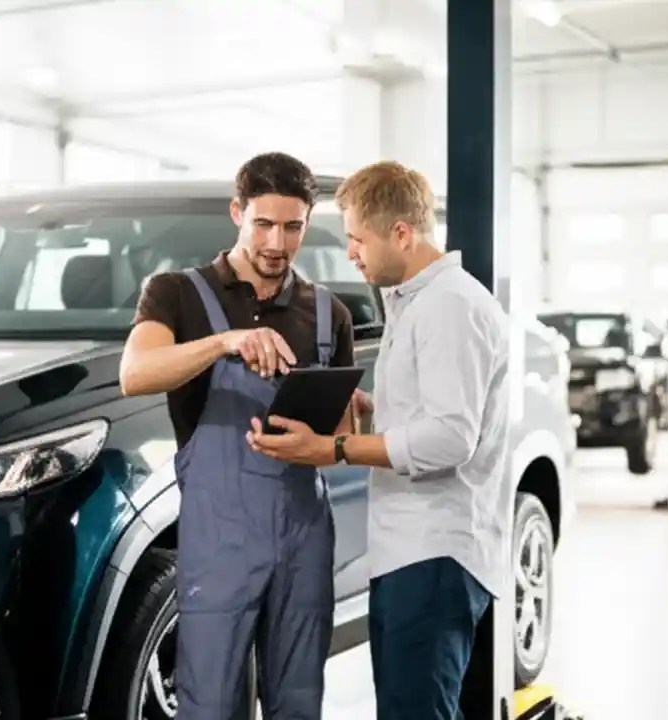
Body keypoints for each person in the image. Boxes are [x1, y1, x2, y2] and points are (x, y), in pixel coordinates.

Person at [247, 160, 511, 719]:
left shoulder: (448, 307)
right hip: (412, 551)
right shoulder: (419, 303)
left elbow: (449, 438)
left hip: (435, 552)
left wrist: (333, 450)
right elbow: (434, 414)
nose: (350, 254)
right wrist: (373, 414)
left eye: (356, 239)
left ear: (401, 233)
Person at [120, 151, 356, 719]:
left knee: (298, 700)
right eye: (264, 224)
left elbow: (341, 439)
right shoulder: (176, 293)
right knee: (212, 703)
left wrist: (352, 413)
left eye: (293, 227)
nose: (277, 243)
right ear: (237, 213)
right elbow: (135, 374)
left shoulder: (329, 314)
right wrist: (224, 344)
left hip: (305, 534)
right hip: (222, 538)